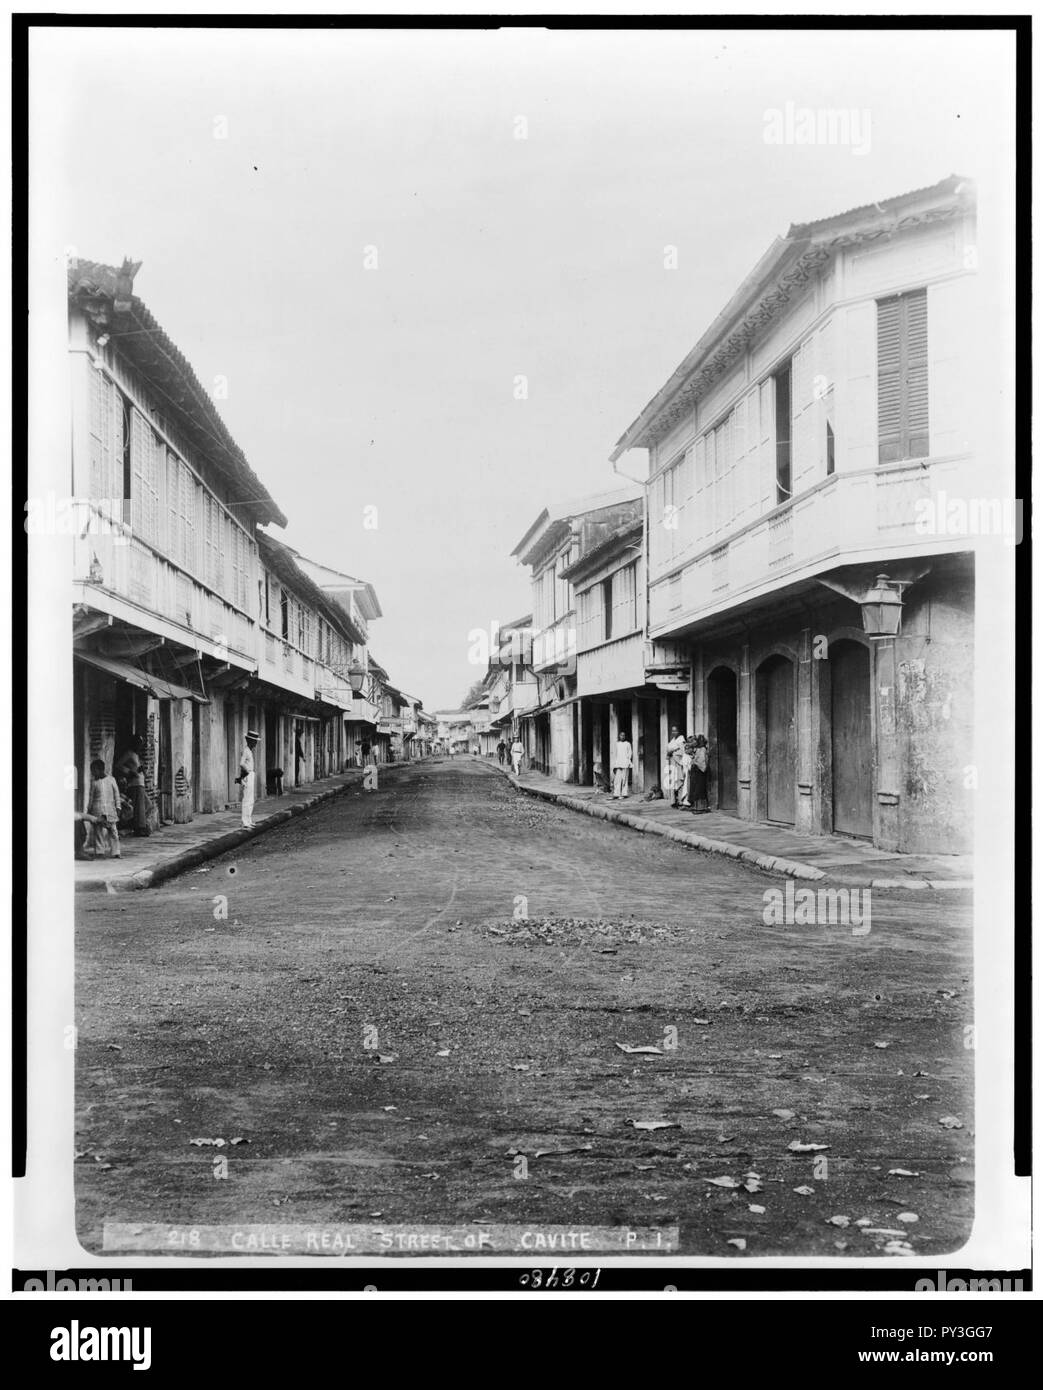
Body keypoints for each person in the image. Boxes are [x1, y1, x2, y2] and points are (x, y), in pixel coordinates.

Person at [115, 734, 152, 836]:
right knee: (139, 807)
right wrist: (130, 772)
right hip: (135, 784)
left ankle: (136, 824)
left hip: (141, 783)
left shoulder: (137, 755)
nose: (139, 746)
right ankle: (139, 828)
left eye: (140, 744)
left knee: (148, 805)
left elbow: (139, 770)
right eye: (138, 743)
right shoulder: (129, 753)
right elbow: (118, 765)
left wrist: (143, 770)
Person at [85, 759, 122, 858]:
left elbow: (116, 794)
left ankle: (116, 852)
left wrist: (118, 807)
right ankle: (100, 852)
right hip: (97, 810)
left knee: (113, 832)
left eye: (94, 770)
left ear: (101, 770)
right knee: (98, 831)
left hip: (110, 811)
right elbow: (91, 797)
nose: (93, 773)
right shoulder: (94, 783)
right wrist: (89, 809)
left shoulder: (111, 780)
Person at [236, 729, 260, 828]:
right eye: (254, 741)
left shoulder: (249, 751)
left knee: (251, 799)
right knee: (247, 799)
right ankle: (245, 821)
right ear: (249, 741)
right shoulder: (246, 751)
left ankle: (249, 820)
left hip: (250, 774)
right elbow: (241, 763)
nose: (256, 743)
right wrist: (246, 772)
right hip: (247, 775)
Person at [664, 725, 687, 808]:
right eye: (672, 731)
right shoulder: (672, 740)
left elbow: (682, 752)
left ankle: (680, 800)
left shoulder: (681, 740)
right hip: (672, 764)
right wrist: (671, 751)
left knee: (680, 782)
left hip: (678, 764)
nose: (674, 733)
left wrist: (672, 752)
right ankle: (673, 801)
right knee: (673, 782)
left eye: (675, 731)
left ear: (678, 731)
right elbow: (667, 751)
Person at [688, 733, 710, 813]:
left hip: (700, 771)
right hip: (696, 771)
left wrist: (695, 762)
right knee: (695, 789)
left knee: (700, 789)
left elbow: (702, 761)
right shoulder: (698, 749)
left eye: (696, 740)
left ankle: (701, 808)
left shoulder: (703, 749)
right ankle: (696, 806)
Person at [612, 729, 633, 799]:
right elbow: (615, 755)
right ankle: (616, 793)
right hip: (618, 764)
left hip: (625, 763)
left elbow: (630, 754)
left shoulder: (628, 744)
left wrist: (628, 762)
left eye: (624, 735)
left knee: (625, 779)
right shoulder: (617, 744)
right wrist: (615, 764)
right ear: (619, 736)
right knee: (617, 780)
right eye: (621, 735)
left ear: (625, 736)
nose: (622, 736)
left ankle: (624, 793)